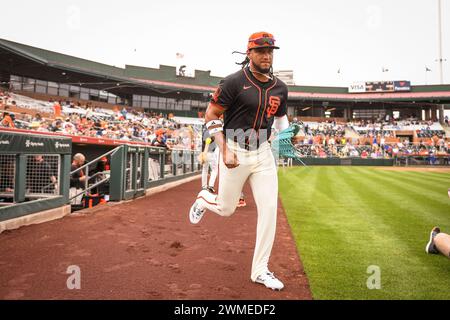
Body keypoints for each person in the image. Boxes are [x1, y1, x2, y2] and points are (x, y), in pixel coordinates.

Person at [188, 31, 290, 291]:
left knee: (269, 210)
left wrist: (286, 137)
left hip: (263, 153)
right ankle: (203, 197)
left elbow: (280, 119)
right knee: (226, 208)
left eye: (270, 50)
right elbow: (211, 114)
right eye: (261, 50)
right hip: (234, 147)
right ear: (249, 53)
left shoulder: (280, 87)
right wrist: (223, 149)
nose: (266, 55)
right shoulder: (233, 82)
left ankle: (260, 270)